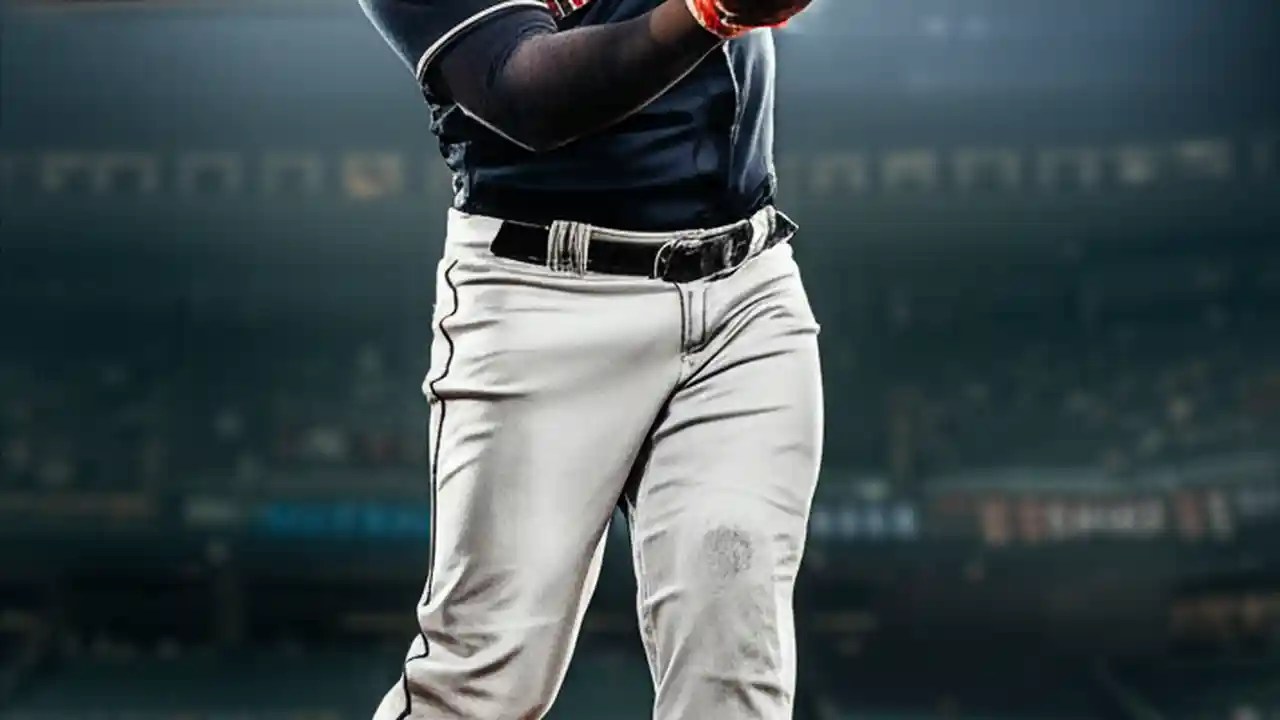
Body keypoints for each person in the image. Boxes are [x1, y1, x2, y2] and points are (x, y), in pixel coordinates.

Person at [357, 0, 822, 716]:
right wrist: (709, 11)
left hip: (745, 288)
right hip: (544, 298)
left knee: (734, 658)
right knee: (483, 680)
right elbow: (524, 92)